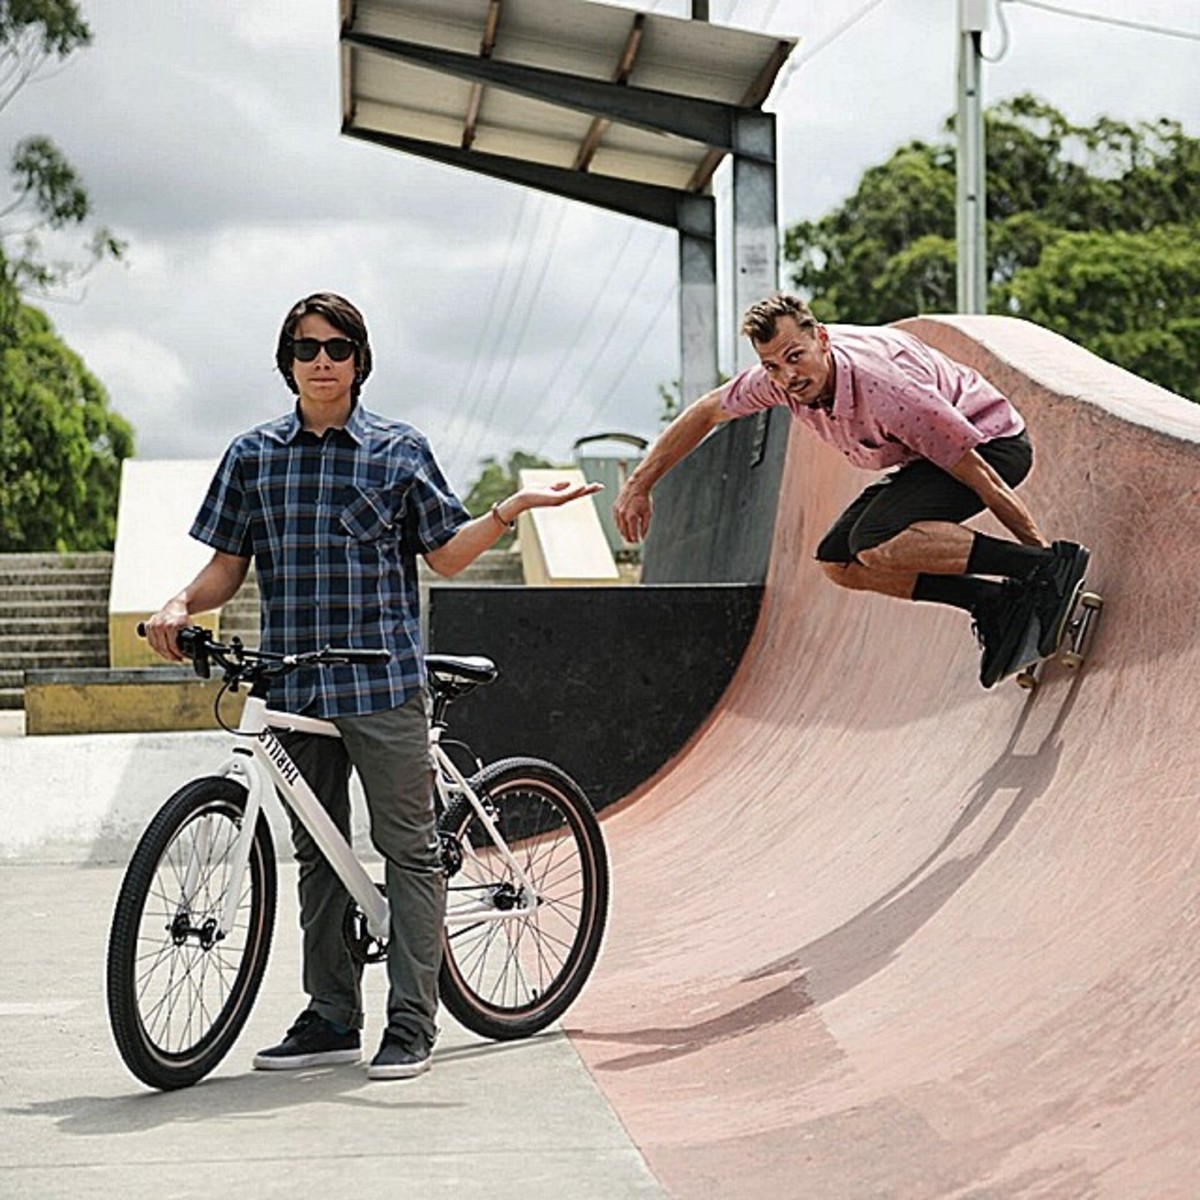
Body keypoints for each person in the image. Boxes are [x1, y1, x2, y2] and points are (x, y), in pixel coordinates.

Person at [144, 292, 601, 1081]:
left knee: (410, 852)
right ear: (287, 359)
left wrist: (512, 508)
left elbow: (447, 555)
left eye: (338, 346)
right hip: (293, 684)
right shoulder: (254, 455)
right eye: (306, 346)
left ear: (360, 359)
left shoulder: (397, 449)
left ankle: (411, 1022)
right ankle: (329, 1018)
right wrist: (181, 602)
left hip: (383, 682)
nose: (322, 360)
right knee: (318, 856)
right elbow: (227, 564)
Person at [613, 293, 1088, 688]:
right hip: (928, 459)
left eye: (795, 358)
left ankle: (1043, 567)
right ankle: (992, 602)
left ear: (821, 339)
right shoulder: (780, 381)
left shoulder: (890, 390)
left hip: (993, 444)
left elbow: (986, 478)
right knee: (838, 560)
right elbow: (707, 411)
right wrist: (640, 483)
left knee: (877, 543)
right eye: (772, 366)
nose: (788, 378)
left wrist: (1045, 563)